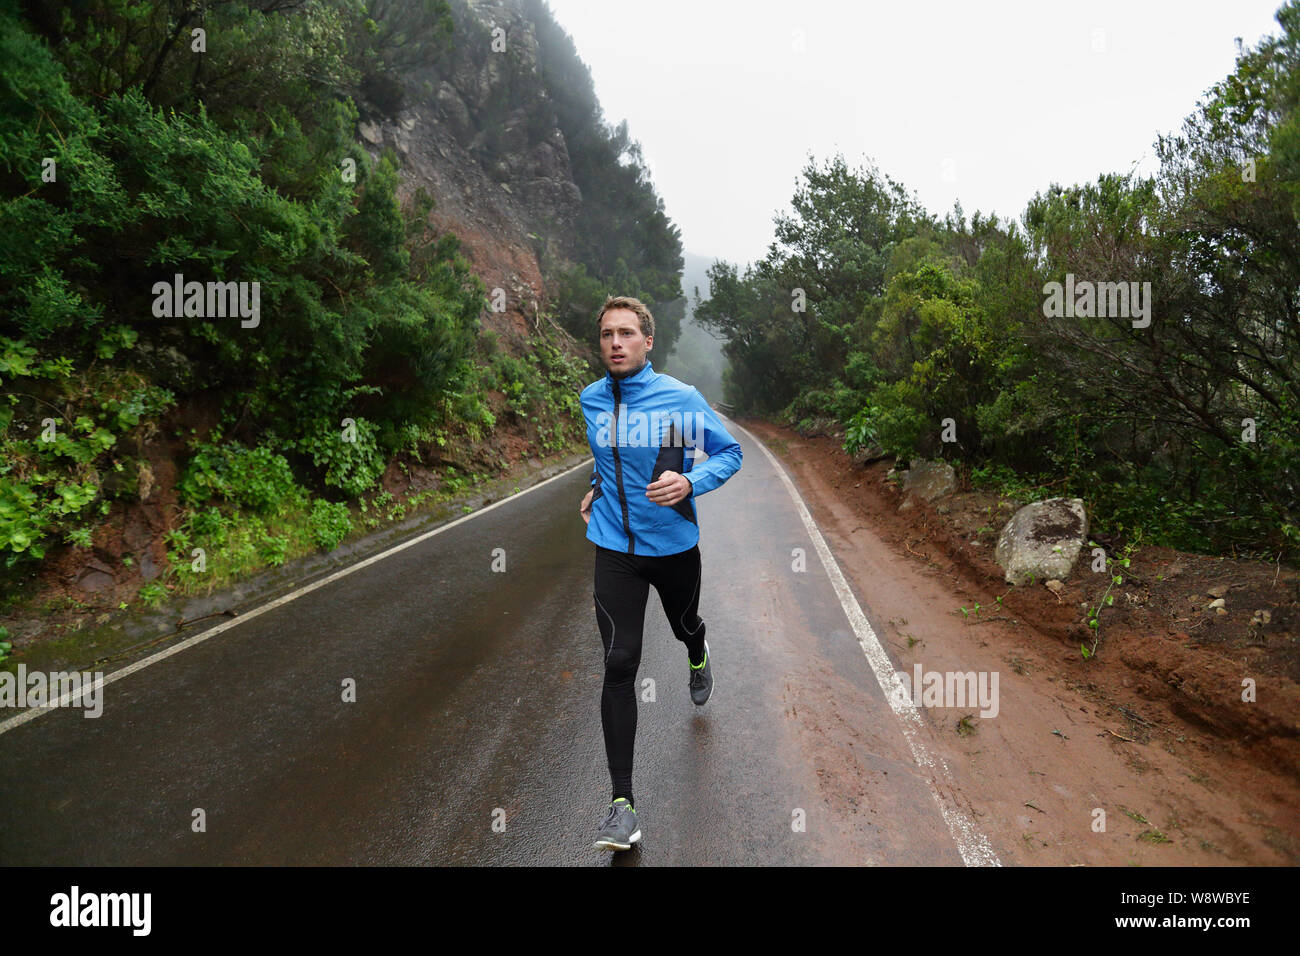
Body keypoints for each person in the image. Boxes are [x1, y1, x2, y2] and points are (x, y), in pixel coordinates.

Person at [577, 295, 743, 851]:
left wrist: (691, 482)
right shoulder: (592, 400)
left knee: (684, 623)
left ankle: (698, 652)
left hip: (672, 547)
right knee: (619, 661)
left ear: (648, 341)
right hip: (614, 550)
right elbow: (610, 464)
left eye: (626, 333)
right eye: (607, 335)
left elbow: (729, 453)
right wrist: (599, 489)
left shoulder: (680, 400)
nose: (616, 343)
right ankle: (622, 804)